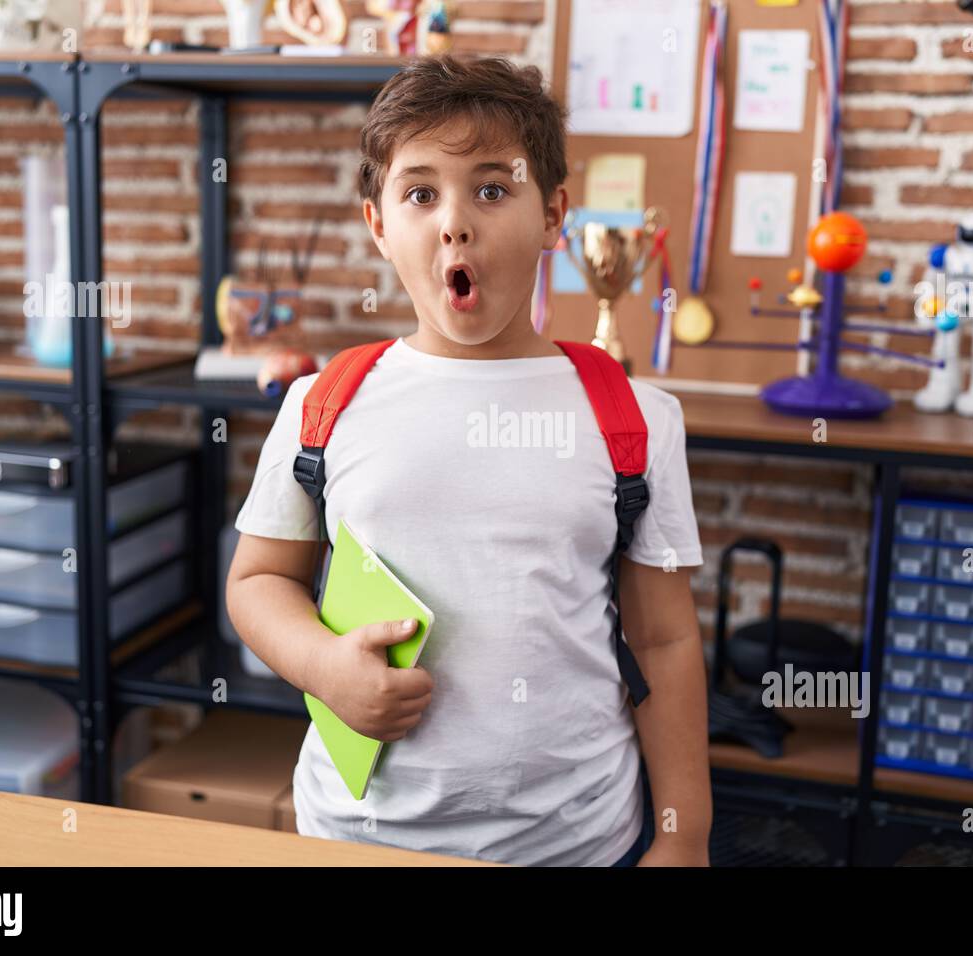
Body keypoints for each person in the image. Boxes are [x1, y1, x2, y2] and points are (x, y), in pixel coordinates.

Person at [226, 54, 710, 866]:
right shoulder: (323, 405)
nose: (455, 221)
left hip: (579, 843)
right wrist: (324, 668)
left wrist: (684, 836)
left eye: (492, 188)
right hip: (359, 837)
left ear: (553, 214)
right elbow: (257, 582)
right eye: (421, 193)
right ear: (379, 223)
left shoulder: (635, 419)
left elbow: (664, 642)